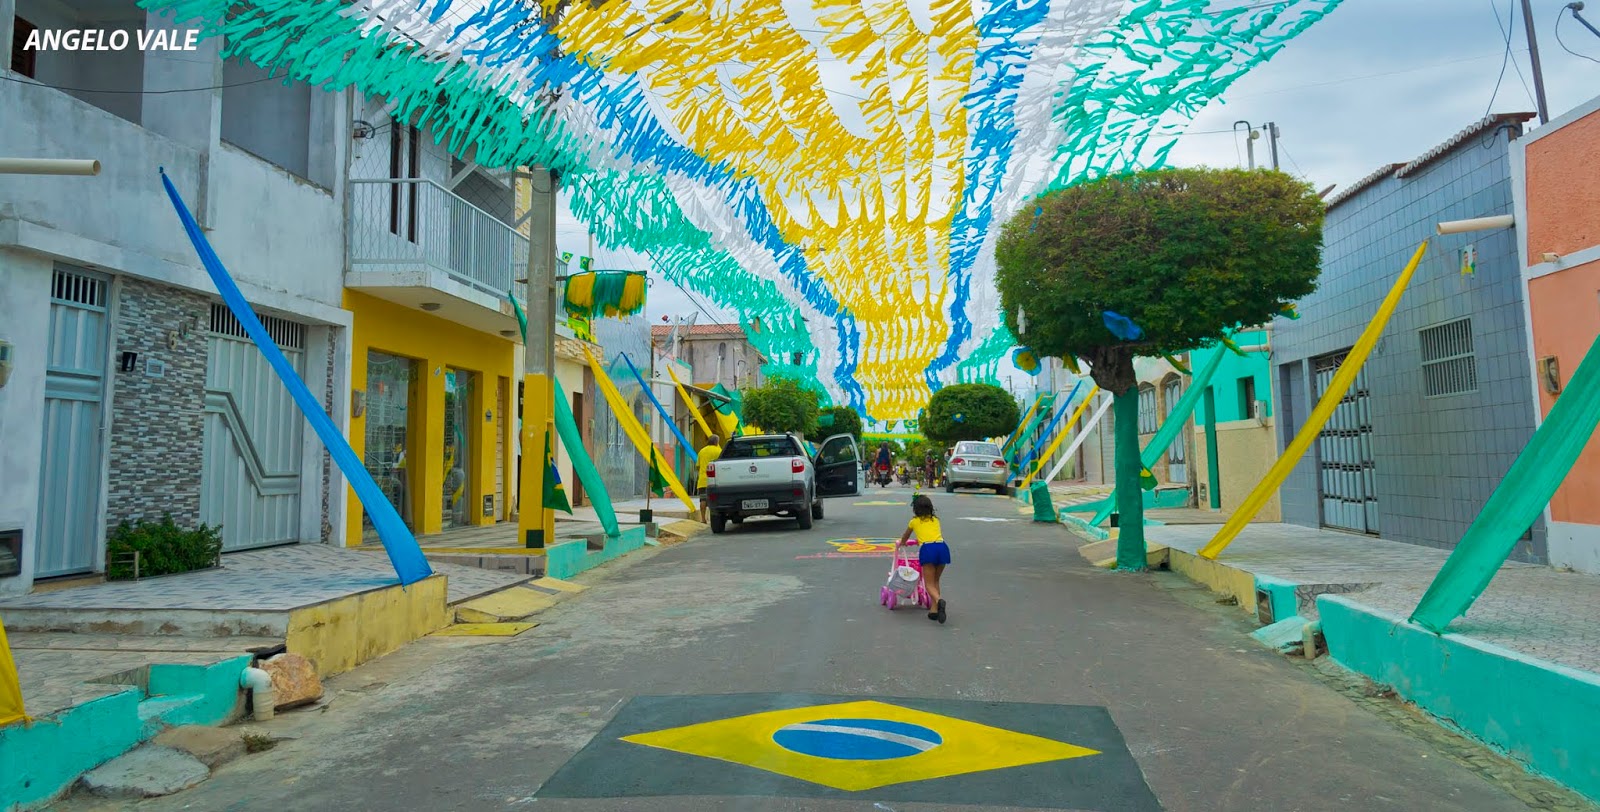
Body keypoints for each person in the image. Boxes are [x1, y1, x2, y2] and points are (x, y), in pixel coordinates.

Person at [898, 494, 950, 623]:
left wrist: (903, 542)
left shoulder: (914, 521)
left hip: (928, 550)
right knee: (936, 580)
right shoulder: (935, 520)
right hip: (942, 547)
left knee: (928, 584)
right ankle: (933, 611)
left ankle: (939, 601)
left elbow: (905, 536)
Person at [696, 435, 723, 523]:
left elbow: (698, 466)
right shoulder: (719, 451)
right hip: (715, 480)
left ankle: (703, 519)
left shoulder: (702, 451)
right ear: (716, 442)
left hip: (703, 480)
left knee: (703, 499)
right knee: (714, 499)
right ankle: (713, 519)